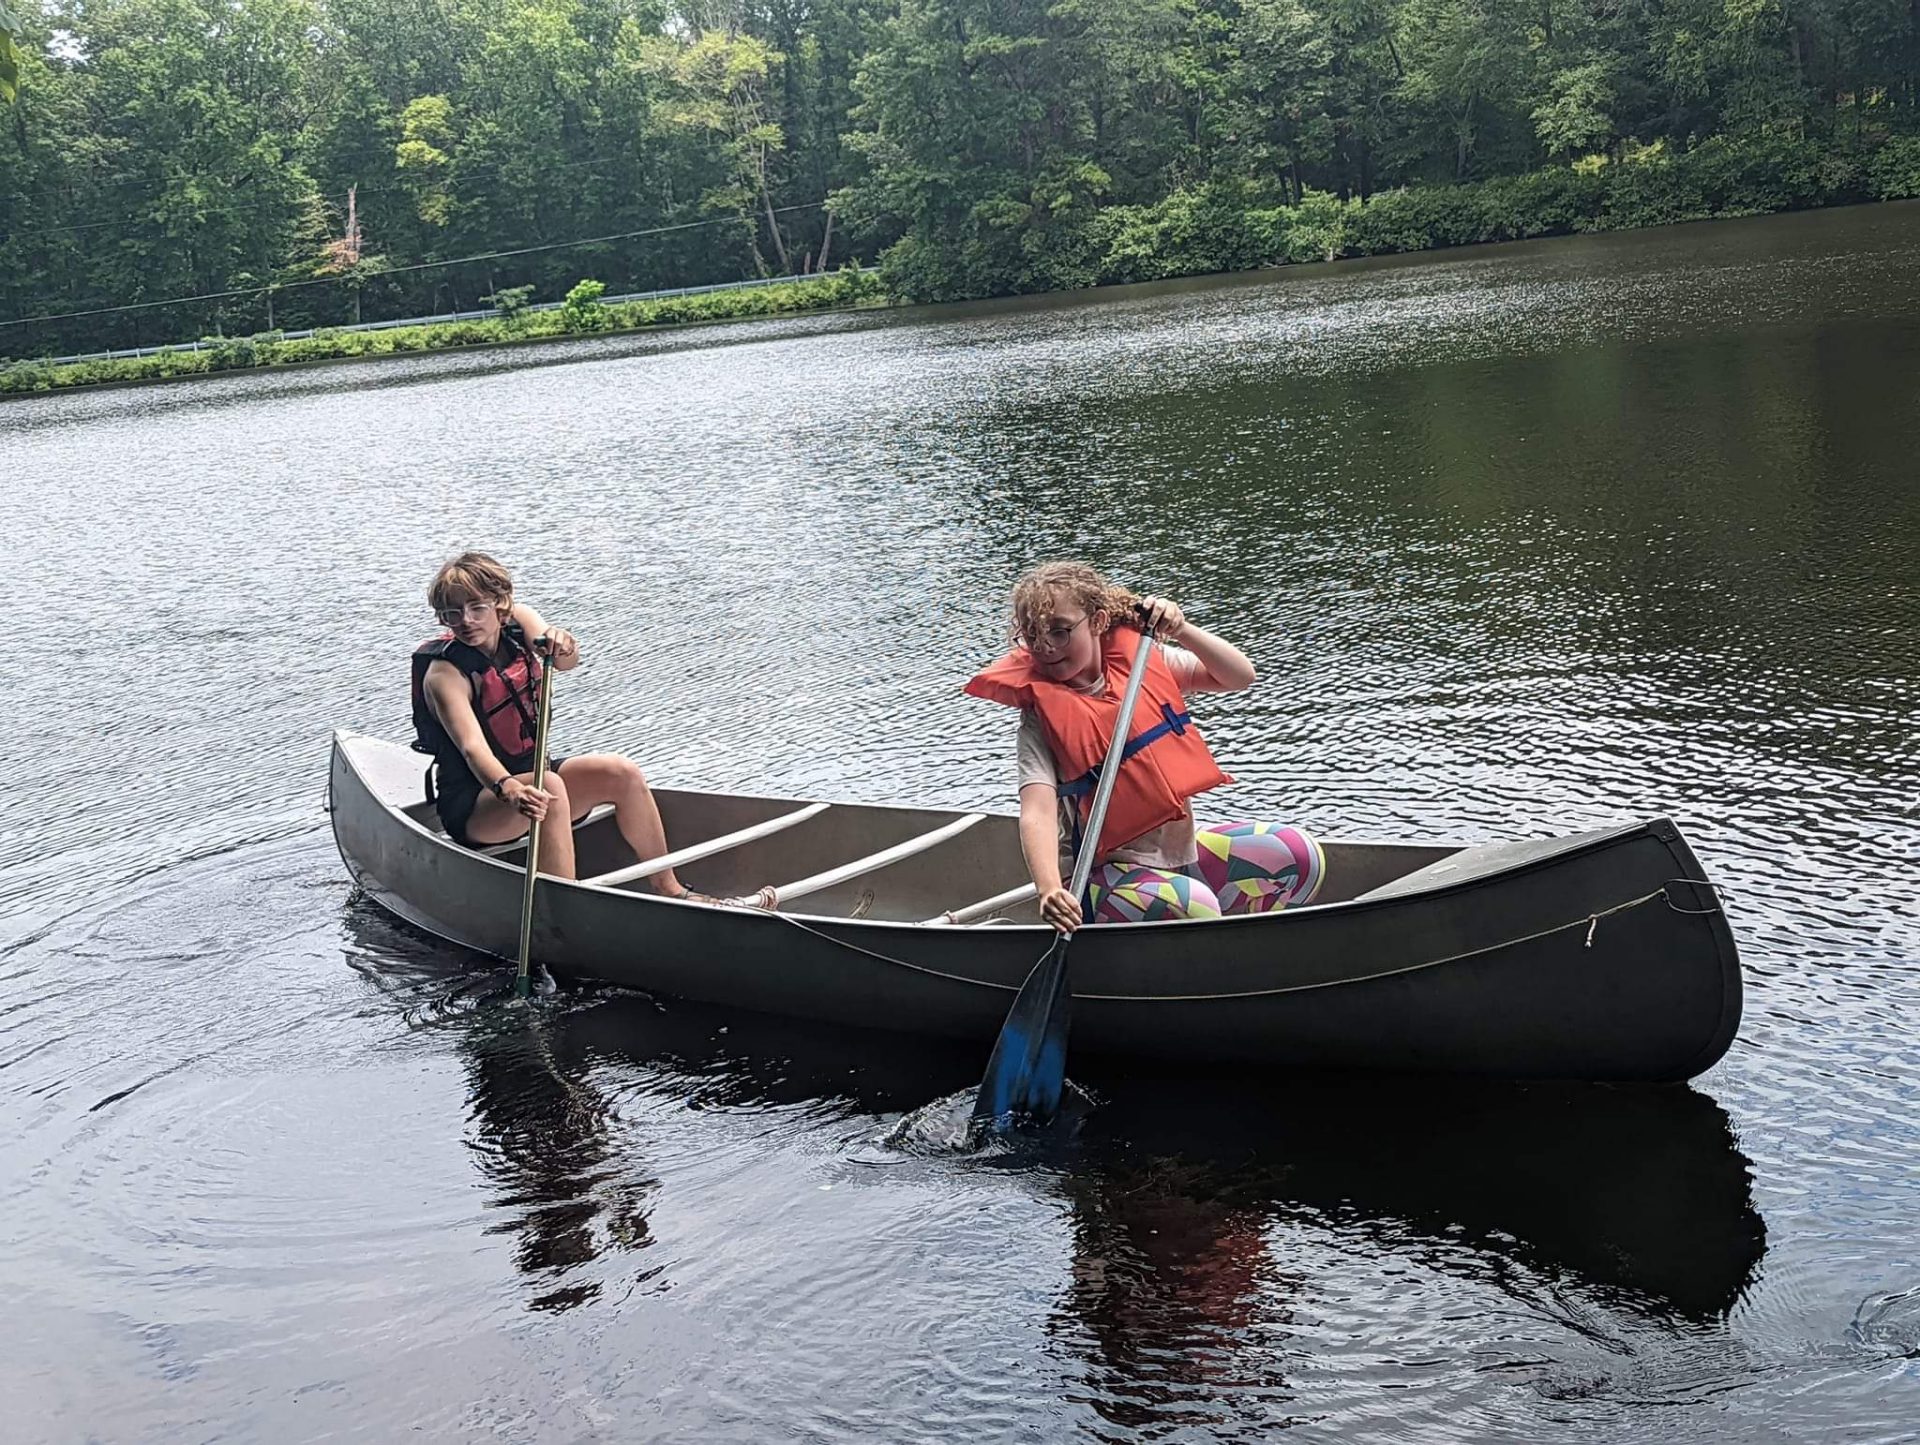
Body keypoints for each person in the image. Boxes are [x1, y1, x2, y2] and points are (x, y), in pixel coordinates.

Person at [965, 560, 1323, 933]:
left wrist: (1181, 629)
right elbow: (1036, 811)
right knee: (1193, 906)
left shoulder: (1140, 665)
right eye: (1033, 635)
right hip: (1101, 877)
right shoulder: (1040, 720)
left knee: (1297, 855)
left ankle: (1228, 944)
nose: (1045, 647)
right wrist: (1050, 889)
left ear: (1099, 622)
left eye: (1060, 631)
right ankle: (1204, 956)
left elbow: (1238, 676)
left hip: (1178, 857)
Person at [409, 551, 704, 898]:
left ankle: (670, 888)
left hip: (533, 780)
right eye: (451, 613)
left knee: (620, 772)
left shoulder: (517, 623)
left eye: (476, 608)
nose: (465, 621)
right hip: (478, 803)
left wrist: (561, 644)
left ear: (499, 604)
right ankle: (564, 909)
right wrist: (509, 789)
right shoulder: (444, 676)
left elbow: (564, 662)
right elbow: (472, 747)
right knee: (548, 784)